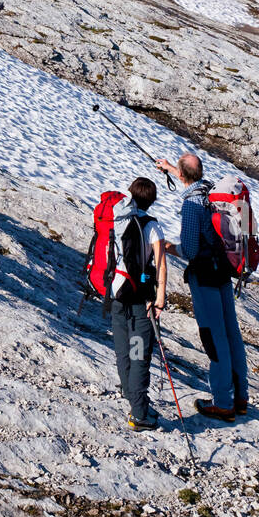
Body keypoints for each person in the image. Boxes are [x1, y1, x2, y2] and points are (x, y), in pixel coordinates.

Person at [157, 151, 249, 423]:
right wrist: (172, 169)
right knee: (231, 334)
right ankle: (241, 398)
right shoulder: (209, 191)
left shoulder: (191, 206)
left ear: (184, 176)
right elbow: (193, 181)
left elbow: (192, 248)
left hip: (205, 275)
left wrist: (171, 248)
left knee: (213, 336)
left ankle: (222, 403)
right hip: (222, 272)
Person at [110, 176, 167, 431]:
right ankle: (139, 414)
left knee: (124, 350)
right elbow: (161, 263)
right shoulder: (151, 226)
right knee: (138, 353)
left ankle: (132, 395)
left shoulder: (118, 220)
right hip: (140, 300)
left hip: (117, 293)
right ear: (151, 201)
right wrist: (160, 297)